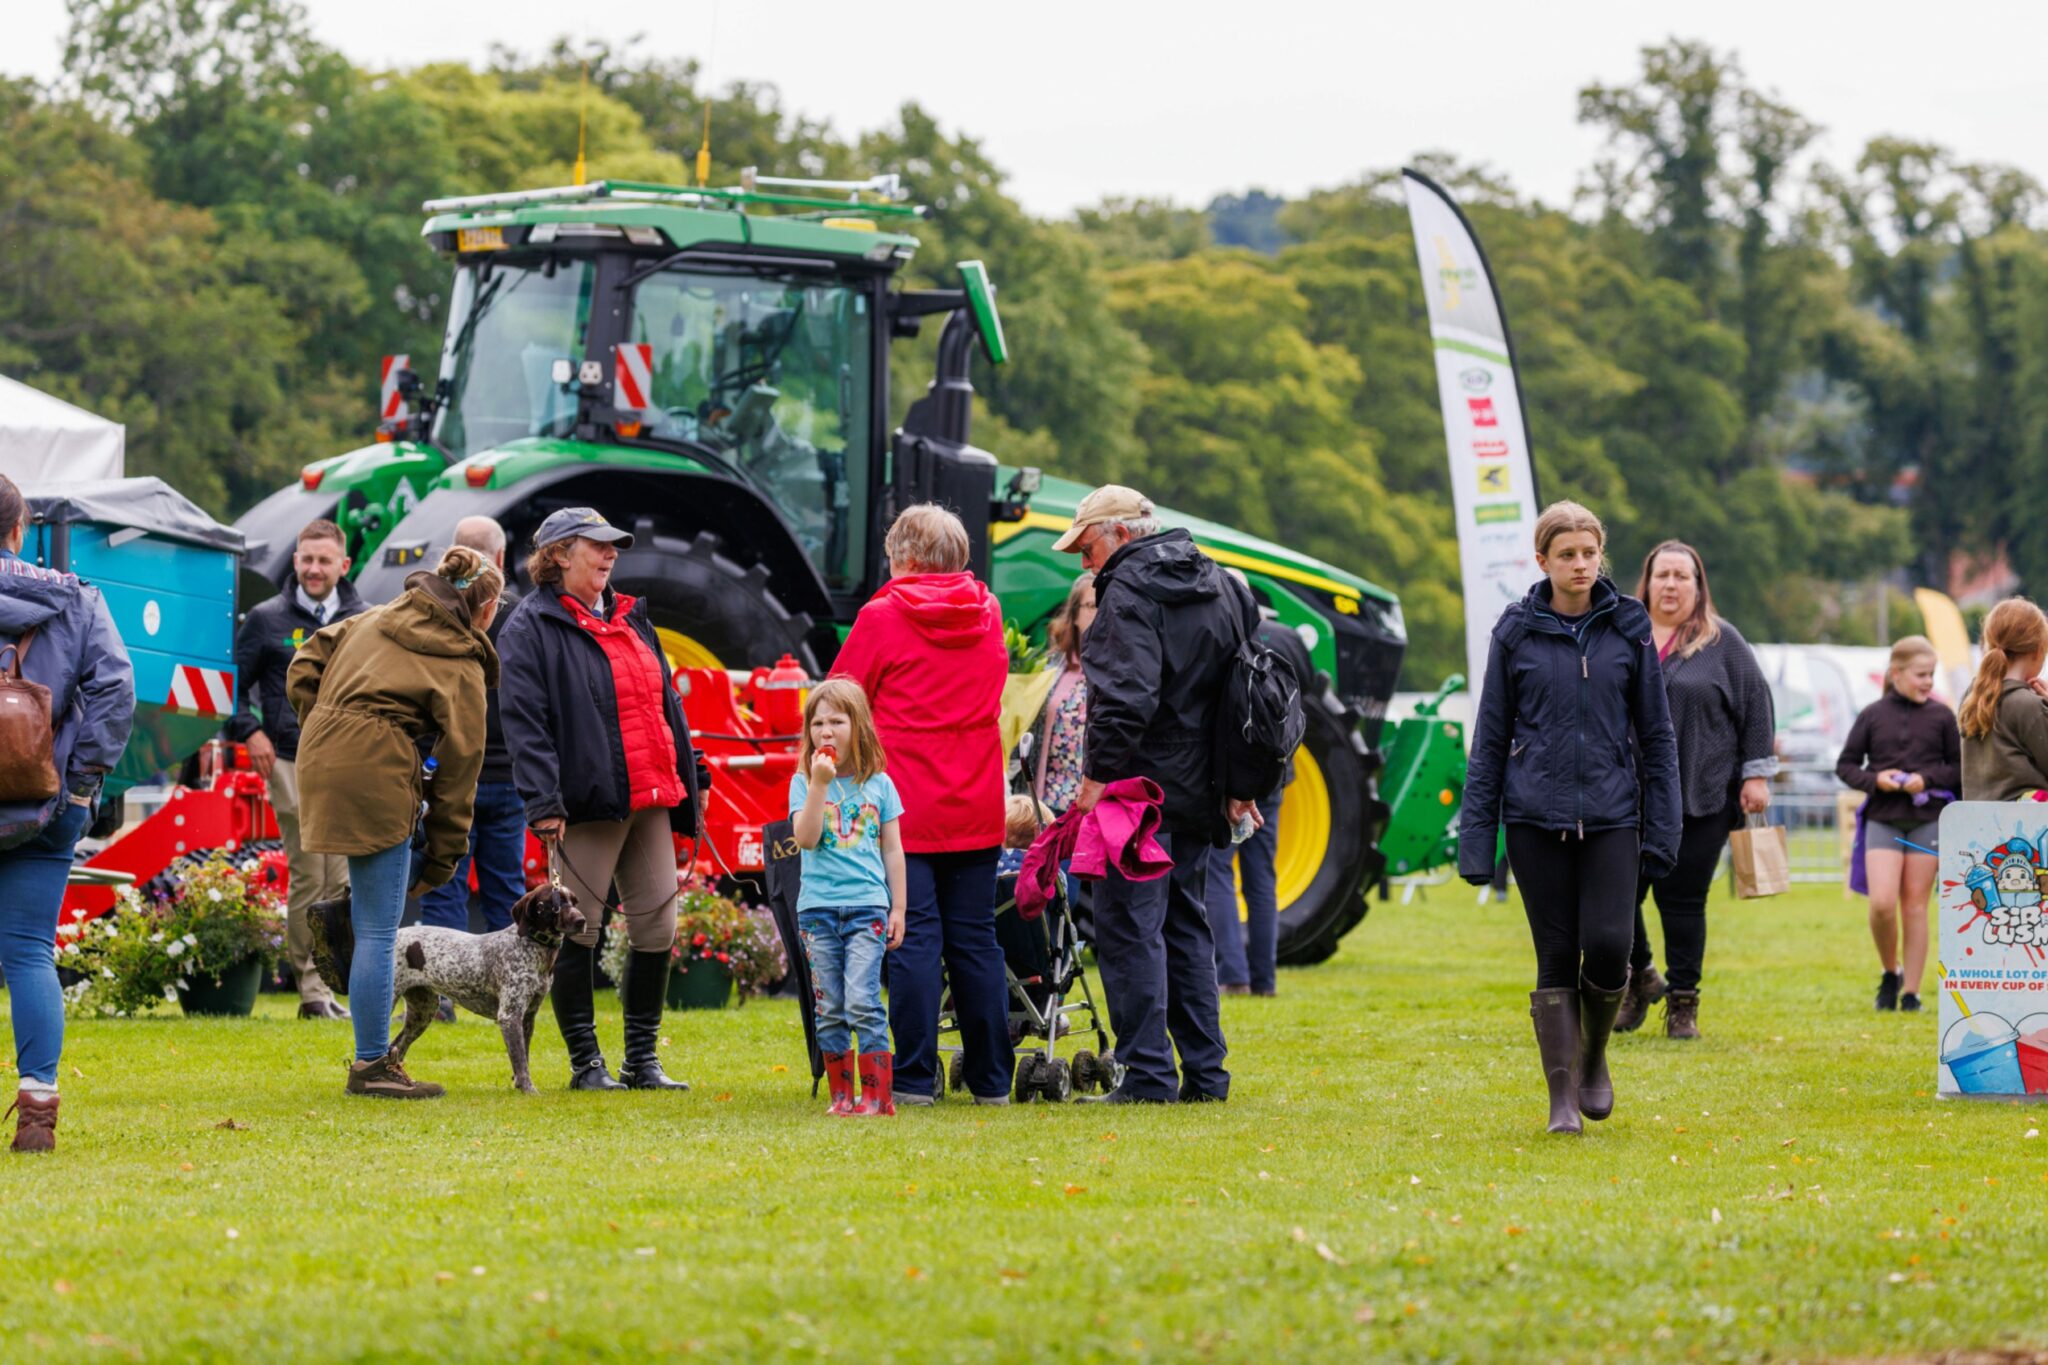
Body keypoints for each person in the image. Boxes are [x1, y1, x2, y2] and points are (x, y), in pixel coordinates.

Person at [1459, 501, 1680, 1136]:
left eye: (1588, 554)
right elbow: (1491, 737)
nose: (1580, 565)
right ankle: (1562, 1102)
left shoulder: (1630, 626)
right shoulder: (1515, 631)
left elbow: (1657, 736)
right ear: (1542, 562)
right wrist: (1479, 843)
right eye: (1566, 556)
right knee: (1555, 954)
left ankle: (1594, 1055)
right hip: (1534, 818)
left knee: (1611, 947)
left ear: (1599, 555)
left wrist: (1662, 828)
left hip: (1614, 816)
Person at [1058, 485, 1255, 1104]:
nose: (1084, 564)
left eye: (1086, 548)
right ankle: (1206, 1075)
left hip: (1136, 793)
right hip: (1201, 791)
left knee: (1126, 929)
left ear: (1119, 534)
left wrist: (1094, 779)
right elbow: (1245, 693)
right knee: (1186, 926)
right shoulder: (1221, 583)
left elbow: (1125, 700)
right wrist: (1237, 785)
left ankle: (1145, 1076)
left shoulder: (1126, 592)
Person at [497, 509, 703, 1092]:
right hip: (586, 802)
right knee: (578, 930)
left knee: (658, 925)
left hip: (651, 793)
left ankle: (642, 1062)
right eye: (599, 546)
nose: (612, 555)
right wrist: (543, 800)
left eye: (615, 547)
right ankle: (586, 1065)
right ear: (560, 555)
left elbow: (666, 702)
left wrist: (697, 769)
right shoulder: (529, 626)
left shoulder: (634, 616)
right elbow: (525, 724)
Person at [288, 545, 502, 1098]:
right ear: (487, 608)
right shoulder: (460, 660)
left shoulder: (375, 616)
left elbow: (304, 663)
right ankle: (371, 1066)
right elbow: (460, 771)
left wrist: (326, 727)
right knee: (380, 931)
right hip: (378, 769)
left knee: (363, 913)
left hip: (318, 757)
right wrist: (444, 857)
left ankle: (369, 1055)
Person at [832, 503, 1014, 1107]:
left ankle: (913, 1079)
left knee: (910, 939)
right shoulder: (987, 612)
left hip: (906, 805)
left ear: (906, 557)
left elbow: (841, 701)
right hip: (979, 797)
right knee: (977, 941)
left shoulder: (882, 616)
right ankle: (990, 1081)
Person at [0, 474, 134, 1153]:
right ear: (18, 529)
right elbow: (116, 687)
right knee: (29, 953)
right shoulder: (76, 599)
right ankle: (37, 1112)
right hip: (45, 804)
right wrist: (78, 781)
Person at [1615, 541, 1777, 1040]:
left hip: (1701, 795)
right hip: (1625, 796)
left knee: (1683, 904)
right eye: (1662, 575)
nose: (1670, 585)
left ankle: (1683, 1003)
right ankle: (1639, 977)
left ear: (1698, 585)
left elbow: (1756, 705)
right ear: (1647, 582)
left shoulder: (1723, 642)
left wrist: (1755, 774)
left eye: (1681, 576)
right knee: (1615, 897)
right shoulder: (1622, 634)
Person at [225, 519, 365, 1019]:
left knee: (342, 878)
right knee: (309, 872)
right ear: (296, 561)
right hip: (288, 758)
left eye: (324, 560)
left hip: (348, 764)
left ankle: (337, 988)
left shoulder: (365, 617)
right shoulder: (265, 619)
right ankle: (311, 992)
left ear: (343, 565)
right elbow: (232, 687)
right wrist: (250, 730)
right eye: (306, 558)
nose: (313, 568)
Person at [789, 679, 906, 1117]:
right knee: (831, 1006)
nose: (826, 731)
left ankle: (878, 1096)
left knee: (862, 1000)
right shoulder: (803, 784)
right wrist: (818, 784)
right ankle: (842, 1096)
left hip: (867, 910)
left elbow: (893, 850)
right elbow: (806, 837)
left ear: (858, 727)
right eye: (817, 722)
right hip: (817, 913)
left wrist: (898, 908)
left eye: (837, 721)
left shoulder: (880, 786)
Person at [1206, 571, 1316, 999]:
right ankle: (1264, 979)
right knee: (1260, 875)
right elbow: (1302, 697)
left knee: (1217, 871)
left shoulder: (1219, 636)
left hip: (1229, 772)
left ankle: (1232, 975)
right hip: (1273, 774)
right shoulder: (1287, 637)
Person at [417, 516, 527, 941]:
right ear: (500, 558)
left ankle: (441, 998)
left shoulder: (427, 612)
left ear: (452, 554)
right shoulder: (521, 616)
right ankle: (507, 997)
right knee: (506, 894)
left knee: (443, 886)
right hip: (506, 774)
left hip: (445, 772)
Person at [1838, 635, 1958, 1014]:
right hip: (1883, 818)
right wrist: (1877, 781)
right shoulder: (1872, 714)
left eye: (1932, 675)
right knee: (1883, 904)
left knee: (1916, 907)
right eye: (1922, 675)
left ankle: (1911, 993)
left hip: (1927, 821)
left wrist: (1928, 779)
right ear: (1897, 673)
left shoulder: (1943, 716)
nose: (1928, 682)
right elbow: (1846, 765)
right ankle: (1890, 970)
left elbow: (1958, 769)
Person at [1020, 573, 1095, 816]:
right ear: (1074, 614)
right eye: (1092, 605)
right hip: (1048, 806)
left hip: (1093, 808)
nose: (1100, 613)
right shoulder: (1051, 667)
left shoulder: (1121, 671)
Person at [1960, 598, 2048, 803]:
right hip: (2026, 829)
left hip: (1979, 825)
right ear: (2037, 651)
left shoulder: (1972, 697)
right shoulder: (2028, 705)